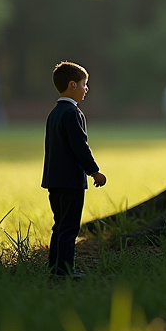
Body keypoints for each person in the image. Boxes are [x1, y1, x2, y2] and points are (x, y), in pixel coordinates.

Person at [41, 61, 106, 279]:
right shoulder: (73, 114)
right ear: (72, 85)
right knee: (69, 228)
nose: (86, 89)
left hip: (54, 179)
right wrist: (94, 171)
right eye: (84, 84)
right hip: (71, 181)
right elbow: (80, 147)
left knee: (59, 225)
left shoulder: (54, 114)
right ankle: (65, 270)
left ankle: (54, 266)